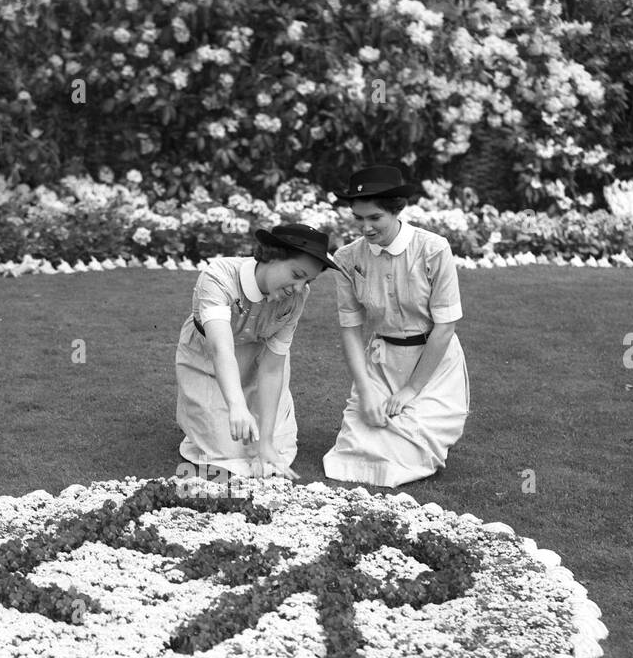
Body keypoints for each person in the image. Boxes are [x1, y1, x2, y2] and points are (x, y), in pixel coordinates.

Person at [322, 165, 470, 488]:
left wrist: (410, 391)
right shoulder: (347, 259)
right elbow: (350, 329)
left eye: (374, 218)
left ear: (397, 210)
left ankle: (420, 429)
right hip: (380, 363)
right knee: (352, 452)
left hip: (433, 366)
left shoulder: (433, 249)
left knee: (405, 448)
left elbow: (445, 327)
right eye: (359, 218)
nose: (365, 227)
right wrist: (365, 389)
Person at [175, 223, 339, 479]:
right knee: (229, 450)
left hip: (259, 361)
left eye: (308, 280)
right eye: (297, 274)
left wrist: (266, 443)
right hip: (209, 361)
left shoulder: (298, 295)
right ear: (272, 256)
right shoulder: (218, 276)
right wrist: (237, 405)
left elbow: (273, 368)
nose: (299, 287)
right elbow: (221, 349)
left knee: (275, 448)